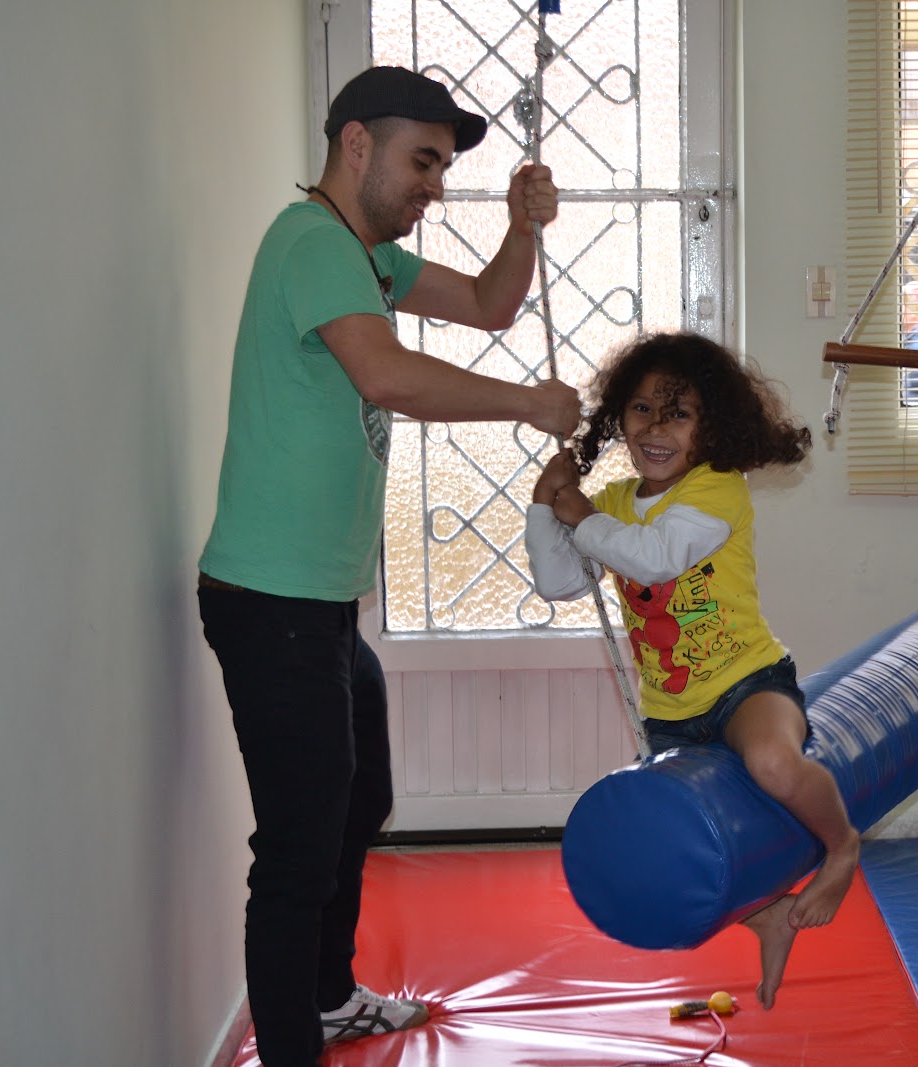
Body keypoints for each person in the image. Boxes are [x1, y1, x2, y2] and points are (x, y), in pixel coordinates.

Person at [196, 66, 581, 1067]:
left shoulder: (366, 260)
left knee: (359, 798)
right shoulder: (314, 244)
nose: (433, 187)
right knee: (296, 850)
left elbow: (495, 303)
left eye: (444, 168)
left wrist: (524, 224)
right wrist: (524, 405)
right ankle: (293, 1041)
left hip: (319, 604)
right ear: (355, 143)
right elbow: (386, 373)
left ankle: (326, 998)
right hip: (270, 601)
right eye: (423, 161)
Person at [524, 332, 862, 1011]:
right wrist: (543, 503)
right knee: (683, 838)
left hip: (747, 682)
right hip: (672, 708)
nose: (655, 427)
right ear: (620, 415)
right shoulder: (616, 504)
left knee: (771, 764)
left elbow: (654, 557)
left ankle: (843, 846)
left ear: (712, 426)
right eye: (643, 408)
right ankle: (765, 914)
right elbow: (561, 580)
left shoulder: (718, 491)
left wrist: (579, 513)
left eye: (677, 413)